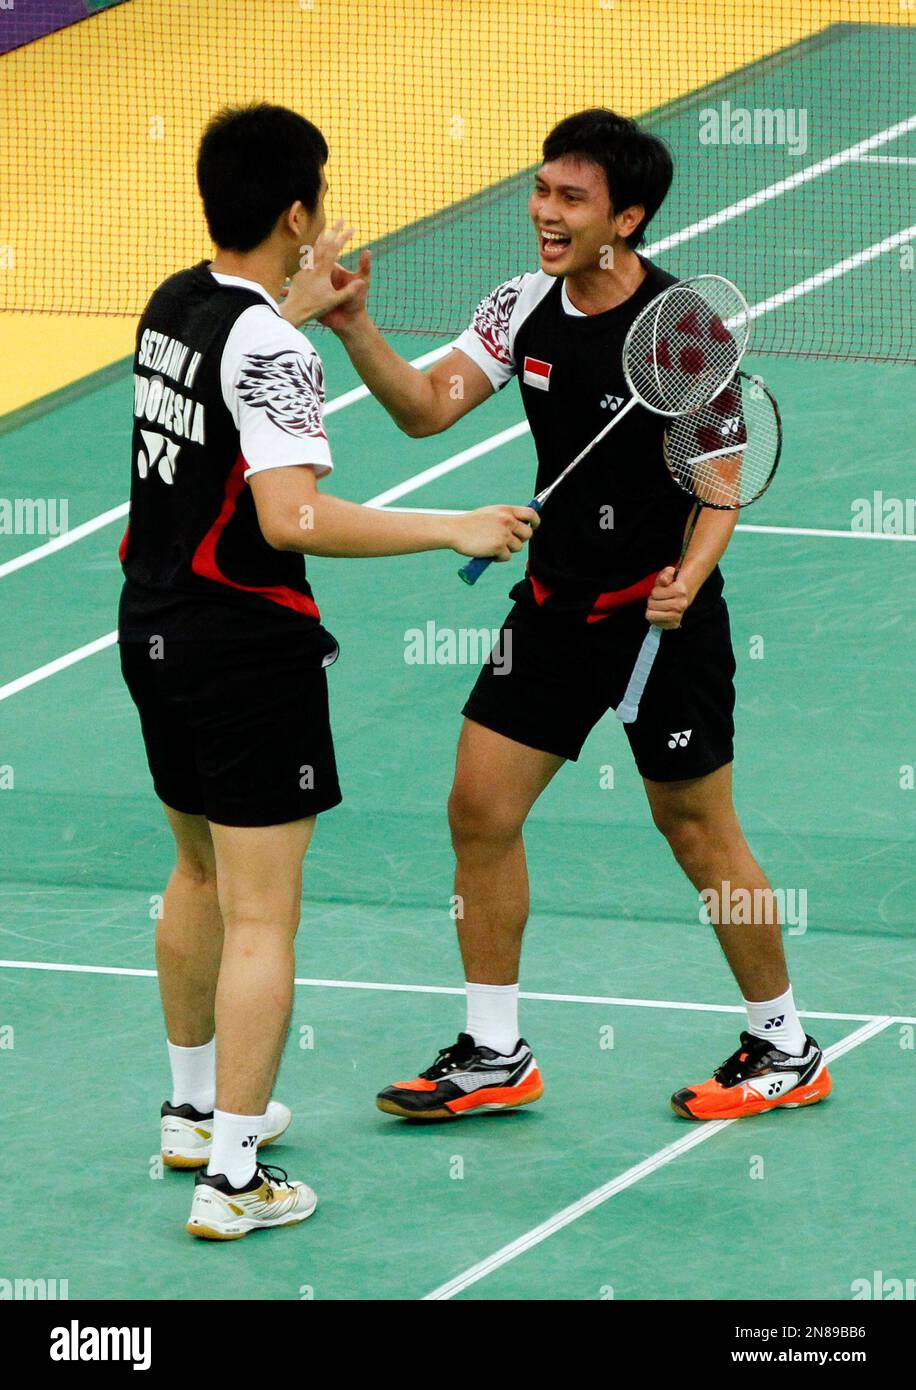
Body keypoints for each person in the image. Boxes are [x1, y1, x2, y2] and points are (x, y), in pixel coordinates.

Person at [317, 107, 831, 1124]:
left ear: (625, 218)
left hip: (660, 619)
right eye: (542, 190)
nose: (544, 212)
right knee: (479, 808)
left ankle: (784, 1043)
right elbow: (426, 408)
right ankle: (494, 1050)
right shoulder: (521, 306)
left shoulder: (681, 327)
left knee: (695, 830)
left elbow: (721, 478)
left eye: (571, 199)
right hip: (553, 608)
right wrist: (353, 327)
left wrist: (690, 573)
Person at [117, 103, 537, 1239]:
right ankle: (236, 1177)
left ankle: (192, 1112)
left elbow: (226, 385)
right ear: (297, 212)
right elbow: (292, 517)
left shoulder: (175, 303)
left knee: (196, 875)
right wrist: (449, 524)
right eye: (320, 198)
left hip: (151, 626)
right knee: (264, 917)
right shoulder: (274, 346)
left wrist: (302, 311)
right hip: (245, 646)